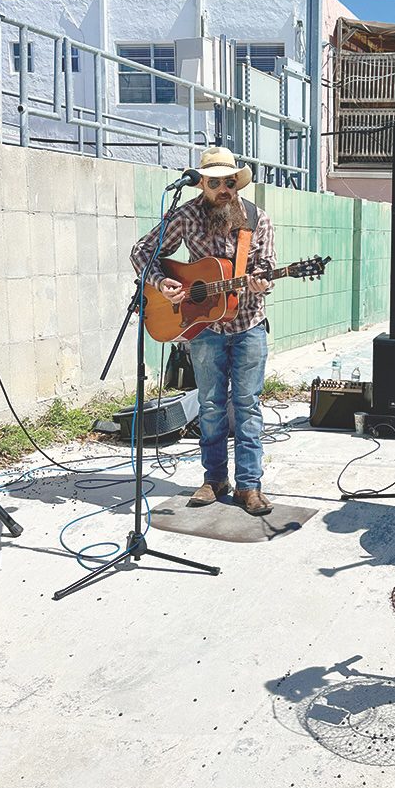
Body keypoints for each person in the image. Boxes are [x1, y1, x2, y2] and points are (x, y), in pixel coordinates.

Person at [131, 148, 276, 516]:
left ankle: (249, 486)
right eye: (216, 183)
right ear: (202, 185)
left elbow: (266, 267)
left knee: (247, 405)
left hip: (248, 324)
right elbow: (142, 251)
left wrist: (261, 283)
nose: (225, 189)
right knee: (210, 405)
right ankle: (214, 479)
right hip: (202, 325)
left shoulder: (256, 219)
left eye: (230, 182)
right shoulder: (185, 215)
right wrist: (162, 282)